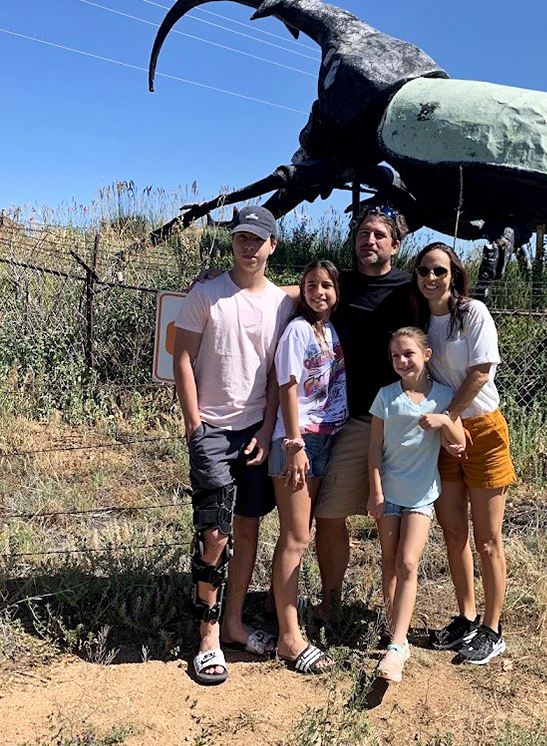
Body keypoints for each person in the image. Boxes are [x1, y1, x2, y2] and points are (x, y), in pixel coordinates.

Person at [173, 205, 295, 685]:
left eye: (257, 239)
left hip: (255, 433)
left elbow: (274, 374)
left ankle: (235, 623)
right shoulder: (205, 294)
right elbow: (182, 356)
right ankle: (206, 639)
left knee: (246, 531)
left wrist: (267, 431)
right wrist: (194, 425)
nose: (249, 246)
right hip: (212, 432)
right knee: (213, 535)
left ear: (271, 246)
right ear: (234, 241)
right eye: (242, 237)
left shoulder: (283, 304)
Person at [413, 242, 516, 665]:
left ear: (453, 274)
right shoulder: (421, 321)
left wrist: (450, 417)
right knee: (454, 533)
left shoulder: (471, 313)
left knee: (488, 540)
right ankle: (467, 616)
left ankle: (494, 629)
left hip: (481, 429)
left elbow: (480, 372)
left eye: (439, 270)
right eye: (423, 270)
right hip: (446, 434)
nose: (430, 278)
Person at [313, 205, 413, 624]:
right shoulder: (343, 285)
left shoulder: (411, 289)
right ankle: (331, 604)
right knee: (330, 514)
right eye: (362, 233)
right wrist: (226, 280)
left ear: (395, 243)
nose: (368, 241)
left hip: (403, 423)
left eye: (378, 235)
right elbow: (299, 291)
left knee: (396, 522)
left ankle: (394, 620)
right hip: (354, 421)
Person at [368, 327, 465, 682]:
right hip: (389, 494)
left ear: (426, 355)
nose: (401, 361)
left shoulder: (443, 395)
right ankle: (400, 633)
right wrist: (375, 491)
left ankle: (395, 647)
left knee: (409, 562)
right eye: (395, 355)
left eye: (408, 353)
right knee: (390, 563)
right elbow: (373, 450)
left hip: (422, 494)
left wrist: (442, 420)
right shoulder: (386, 397)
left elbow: (460, 440)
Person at [268, 260, 347, 674]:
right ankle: (289, 637)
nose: (319, 291)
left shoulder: (329, 331)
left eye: (328, 285)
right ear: (301, 291)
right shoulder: (298, 330)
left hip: (324, 436)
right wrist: (295, 443)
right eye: (311, 285)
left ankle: (275, 604)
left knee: (304, 530)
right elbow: (289, 386)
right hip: (297, 441)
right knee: (296, 536)